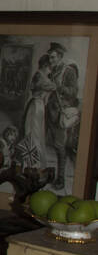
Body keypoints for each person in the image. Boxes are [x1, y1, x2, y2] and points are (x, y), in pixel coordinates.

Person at [44, 42, 80, 190]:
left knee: (60, 148)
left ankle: (61, 180)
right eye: (49, 57)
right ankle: (46, 175)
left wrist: (58, 87)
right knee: (49, 145)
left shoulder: (68, 71)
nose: (50, 60)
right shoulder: (52, 71)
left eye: (53, 57)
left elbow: (73, 92)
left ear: (60, 56)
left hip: (59, 114)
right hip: (49, 112)